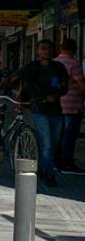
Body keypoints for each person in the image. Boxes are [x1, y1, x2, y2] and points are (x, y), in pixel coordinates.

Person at [0, 39, 68, 185]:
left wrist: (55, 96)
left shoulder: (58, 67)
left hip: (56, 110)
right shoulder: (31, 67)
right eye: (43, 48)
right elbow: (12, 78)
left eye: (49, 48)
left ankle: (45, 167)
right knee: (47, 143)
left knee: (54, 143)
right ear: (37, 51)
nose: (46, 51)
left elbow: (64, 87)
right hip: (38, 109)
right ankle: (48, 174)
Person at [54, 38, 85, 174]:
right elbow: (81, 84)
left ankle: (56, 162)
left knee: (59, 135)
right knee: (70, 136)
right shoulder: (74, 63)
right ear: (75, 49)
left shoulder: (54, 63)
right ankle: (68, 163)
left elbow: (53, 84)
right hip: (72, 105)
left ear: (61, 48)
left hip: (57, 104)